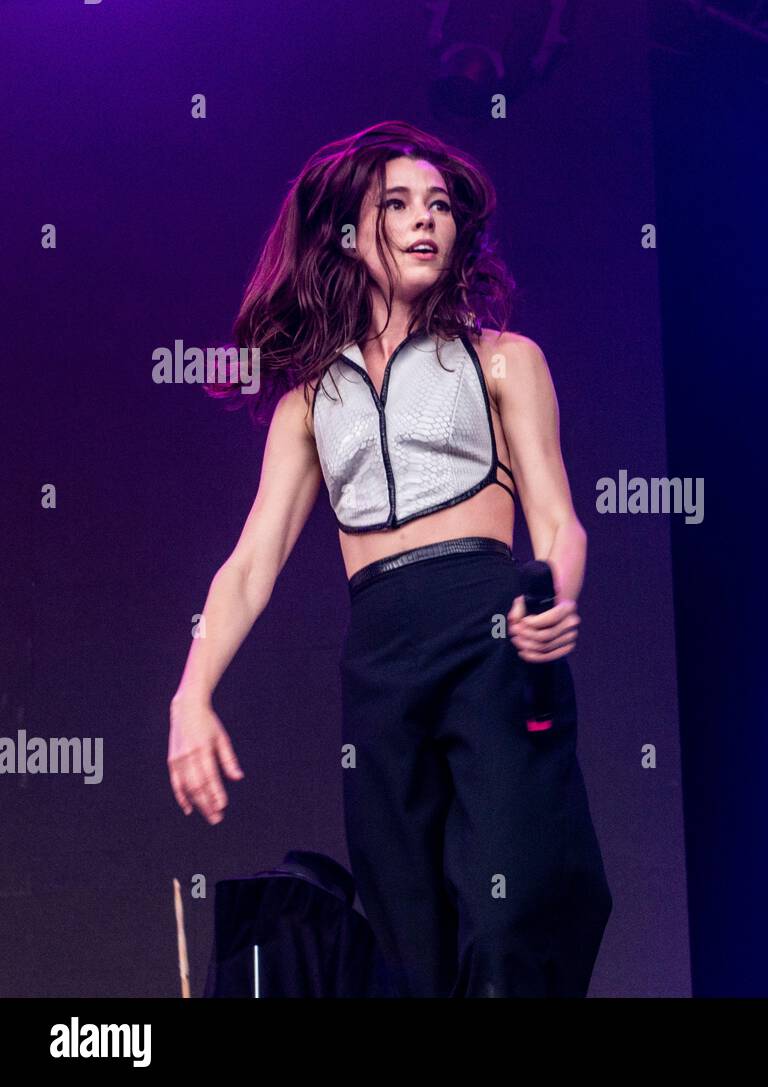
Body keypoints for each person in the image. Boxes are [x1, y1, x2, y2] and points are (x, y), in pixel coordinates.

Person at [166, 120, 612, 997]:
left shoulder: (504, 361)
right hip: (380, 667)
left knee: (513, 914)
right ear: (347, 233)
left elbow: (560, 522)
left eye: (439, 205)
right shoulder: (309, 403)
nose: (425, 220)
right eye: (398, 204)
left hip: (492, 640)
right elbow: (251, 563)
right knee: (413, 949)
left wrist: (554, 596)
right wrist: (191, 694)